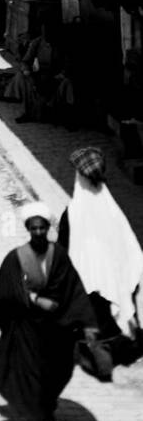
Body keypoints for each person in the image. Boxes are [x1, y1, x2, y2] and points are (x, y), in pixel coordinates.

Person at [0, 203, 98, 421]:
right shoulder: (16, 258)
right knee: (29, 380)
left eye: (42, 228)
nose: (38, 232)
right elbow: (6, 291)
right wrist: (34, 299)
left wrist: (88, 323)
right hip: (26, 332)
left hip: (56, 332)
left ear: (48, 228)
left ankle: (42, 419)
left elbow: (74, 288)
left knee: (54, 376)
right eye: (33, 228)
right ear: (27, 230)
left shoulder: (59, 255)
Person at [58, 147, 143, 349]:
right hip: (115, 285)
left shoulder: (73, 213)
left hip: (91, 291)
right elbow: (129, 248)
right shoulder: (113, 209)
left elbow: (64, 250)